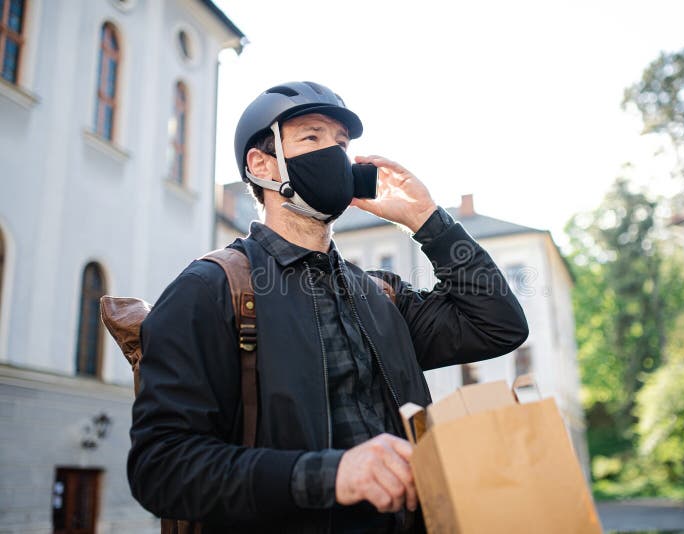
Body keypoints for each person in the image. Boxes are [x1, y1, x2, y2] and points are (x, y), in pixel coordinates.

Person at [128, 81, 529, 533]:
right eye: (312, 137)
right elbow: (161, 468)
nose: (334, 153)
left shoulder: (382, 295)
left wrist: (428, 220)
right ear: (261, 164)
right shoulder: (209, 289)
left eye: (342, 143)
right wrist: (331, 474)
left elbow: (498, 324)